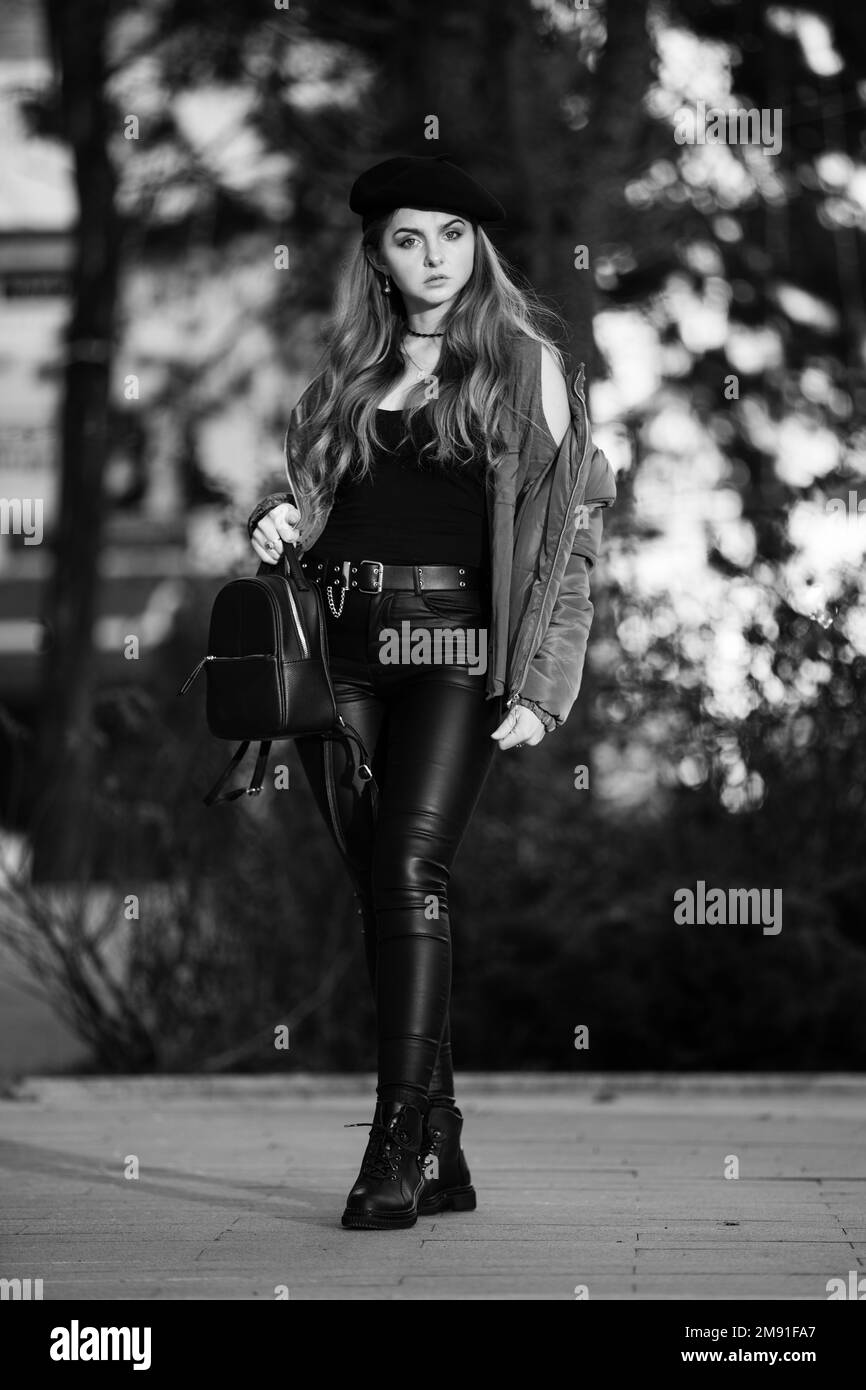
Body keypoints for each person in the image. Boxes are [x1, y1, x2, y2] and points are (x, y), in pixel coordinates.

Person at [247, 154, 616, 1230]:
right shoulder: (342, 378)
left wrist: (544, 687)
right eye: (409, 240)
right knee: (382, 887)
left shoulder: (525, 363)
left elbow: (566, 547)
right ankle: (441, 1137)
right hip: (339, 649)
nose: (433, 259)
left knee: (410, 863)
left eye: (452, 236)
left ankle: (395, 1137)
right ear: (376, 255)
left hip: (454, 645)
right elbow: (314, 510)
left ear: (479, 247)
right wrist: (275, 521)